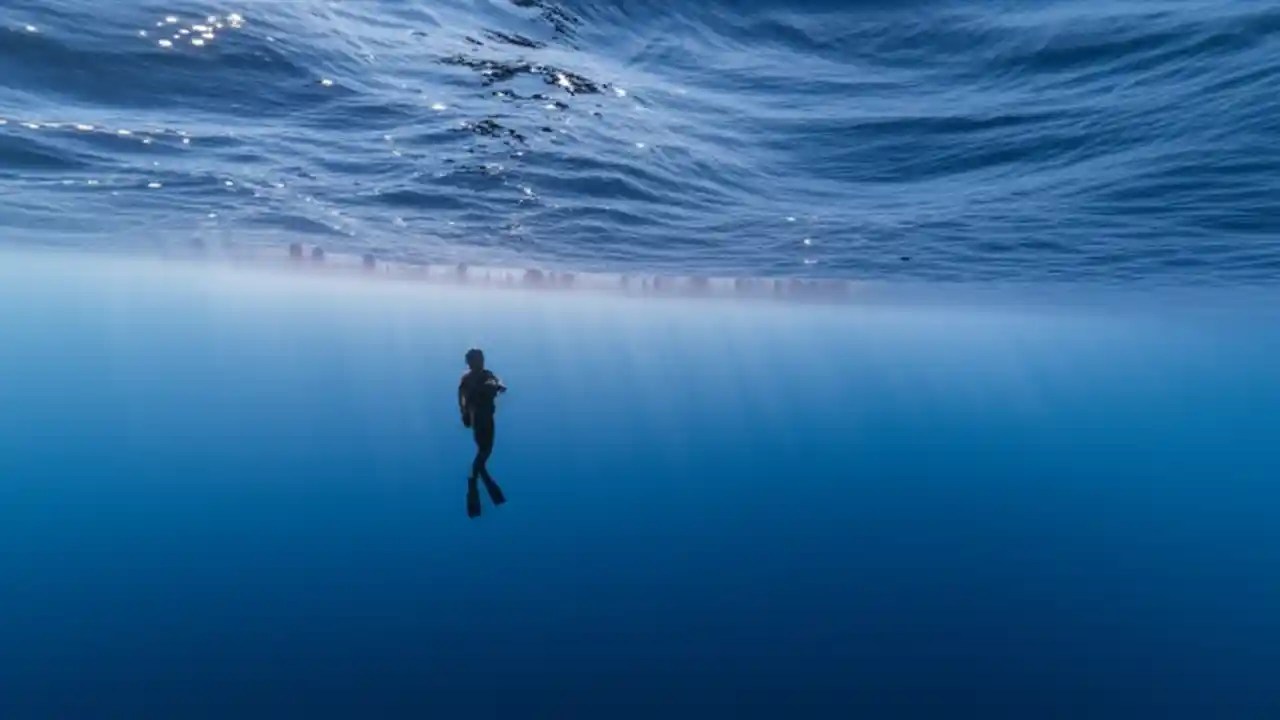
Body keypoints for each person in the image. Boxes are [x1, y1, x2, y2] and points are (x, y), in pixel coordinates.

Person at [458, 348, 507, 517]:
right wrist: (464, 413)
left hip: (482, 417)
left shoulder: (483, 375)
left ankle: (479, 478)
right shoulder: (469, 378)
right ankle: (474, 481)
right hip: (480, 418)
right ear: (471, 362)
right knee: (484, 452)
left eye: (481, 358)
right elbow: (462, 397)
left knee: (484, 453)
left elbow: (497, 382)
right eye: (478, 359)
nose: (481, 362)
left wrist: (498, 386)